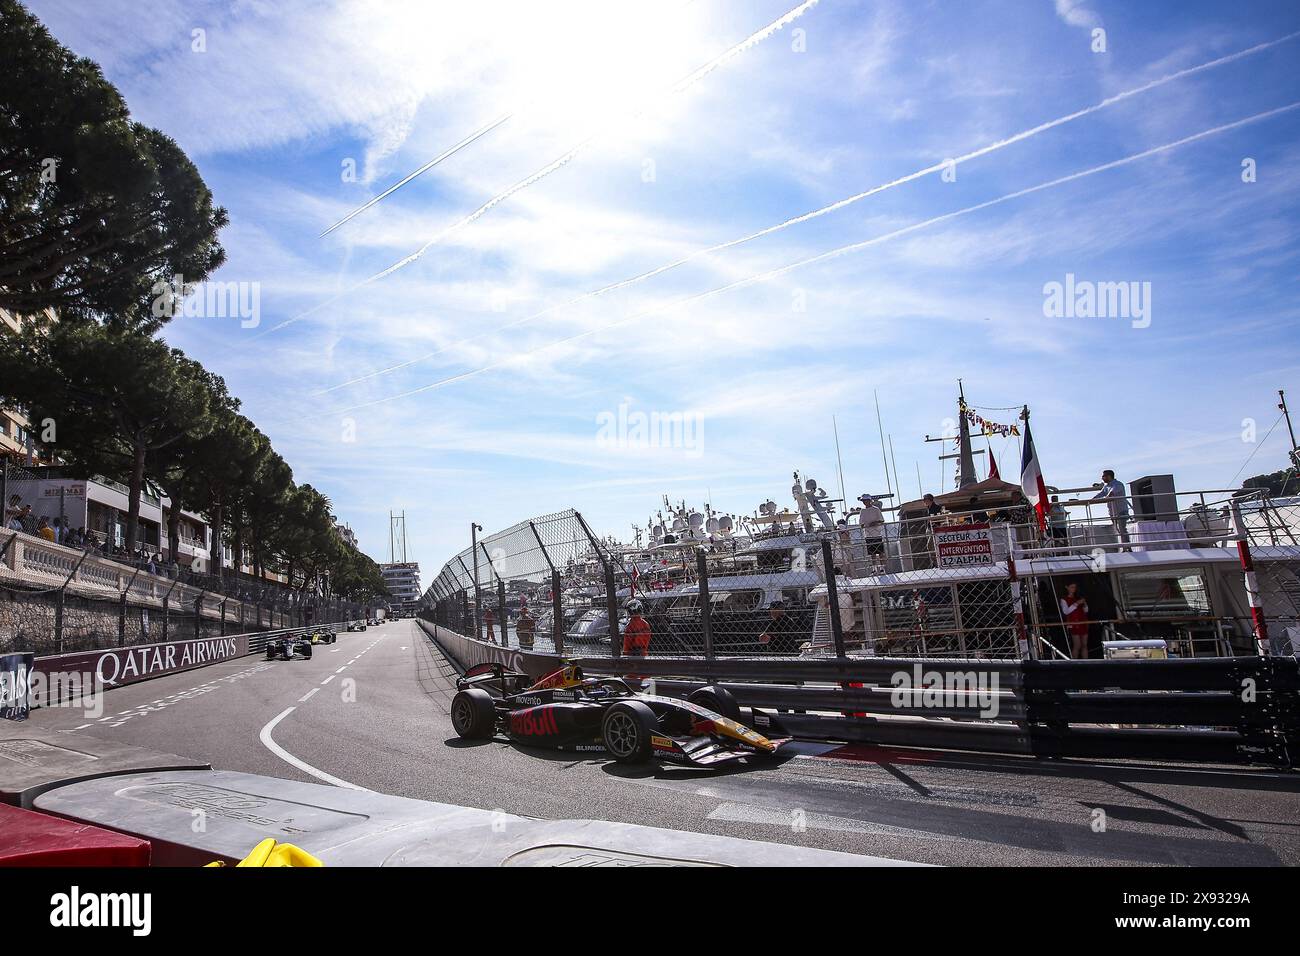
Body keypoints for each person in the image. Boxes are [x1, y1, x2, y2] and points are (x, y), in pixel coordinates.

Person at [1093, 469, 1129, 548]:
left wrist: (1105, 498)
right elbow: (1101, 494)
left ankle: (1127, 547)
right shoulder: (1107, 486)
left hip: (1121, 511)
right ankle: (1124, 547)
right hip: (1113, 512)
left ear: (1109, 476)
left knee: (1122, 529)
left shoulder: (1117, 484)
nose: (1102, 478)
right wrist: (1092, 500)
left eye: (1103, 476)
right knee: (1119, 531)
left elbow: (1111, 493)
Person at [1060, 581, 1090, 659]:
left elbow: (1086, 610)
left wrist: (1084, 603)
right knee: (1077, 645)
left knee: (1084, 644)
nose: (1074, 589)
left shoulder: (1078, 597)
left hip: (1083, 622)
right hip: (1073, 624)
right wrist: (1076, 603)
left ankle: (1086, 663)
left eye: (1075, 587)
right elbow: (1066, 611)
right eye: (1072, 587)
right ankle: (1075, 662)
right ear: (1067, 587)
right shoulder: (1064, 599)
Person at [856, 494, 885, 562]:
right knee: (872, 553)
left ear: (869, 500)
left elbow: (882, 520)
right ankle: (874, 568)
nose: (864, 502)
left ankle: (882, 568)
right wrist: (863, 525)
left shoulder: (876, 509)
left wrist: (875, 523)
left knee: (880, 552)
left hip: (877, 534)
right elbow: (861, 523)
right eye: (863, 500)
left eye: (865, 500)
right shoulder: (862, 511)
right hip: (868, 534)